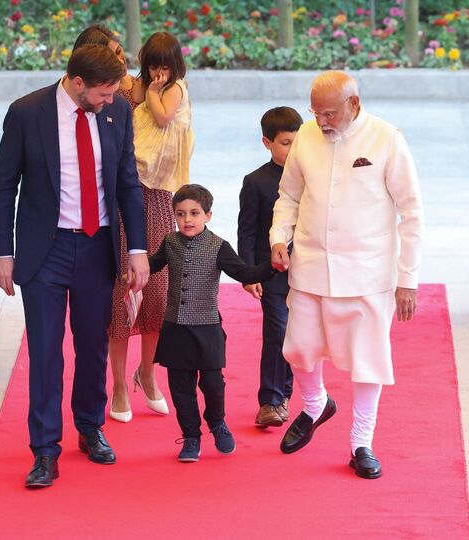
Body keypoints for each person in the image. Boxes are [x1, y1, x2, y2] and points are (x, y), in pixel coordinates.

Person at [0, 44, 150, 488]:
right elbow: (5, 188)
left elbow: (128, 185)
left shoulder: (117, 112)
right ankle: (44, 450)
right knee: (44, 351)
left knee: (94, 346)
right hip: (46, 250)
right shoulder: (27, 113)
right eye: (102, 92)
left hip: (98, 248)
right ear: (77, 82)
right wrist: (3, 252)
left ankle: (90, 426)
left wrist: (137, 247)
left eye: (114, 92)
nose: (109, 100)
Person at [269, 71, 424, 480]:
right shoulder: (305, 135)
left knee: (368, 362)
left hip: (368, 272)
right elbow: (289, 196)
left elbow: (412, 212)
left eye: (330, 113)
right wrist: (277, 237)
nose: (321, 121)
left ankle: (361, 441)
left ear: (354, 104)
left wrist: (407, 278)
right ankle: (316, 404)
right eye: (315, 112)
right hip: (310, 266)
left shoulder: (387, 138)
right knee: (298, 348)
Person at [149, 185, 277, 462]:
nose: (187, 220)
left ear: (208, 215)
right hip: (175, 328)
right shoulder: (170, 242)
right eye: (181, 214)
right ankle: (191, 436)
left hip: (207, 328)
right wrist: (129, 265)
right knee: (180, 387)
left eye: (194, 213)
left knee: (213, 384)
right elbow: (153, 264)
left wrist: (271, 267)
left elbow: (244, 271)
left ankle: (217, 422)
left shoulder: (218, 246)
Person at [107, 31, 194, 423]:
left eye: (165, 66)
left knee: (158, 294)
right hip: (126, 195)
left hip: (159, 197)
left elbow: (163, 118)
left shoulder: (174, 89)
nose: (157, 72)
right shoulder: (129, 87)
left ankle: (147, 373)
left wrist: (155, 89)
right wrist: (137, 85)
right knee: (120, 293)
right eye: (151, 66)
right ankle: (120, 384)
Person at [237, 106, 303, 428]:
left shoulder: (312, 178)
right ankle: (270, 400)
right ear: (267, 143)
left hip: (309, 271)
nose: (293, 149)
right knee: (277, 331)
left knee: (297, 335)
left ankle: (285, 395)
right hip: (272, 271)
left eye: (298, 141)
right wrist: (248, 273)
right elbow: (246, 230)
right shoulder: (256, 182)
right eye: (286, 143)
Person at [72, 25, 138, 108]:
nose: (120, 61)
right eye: (110, 58)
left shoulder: (140, 83)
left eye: (118, 51)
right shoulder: (95, 99)